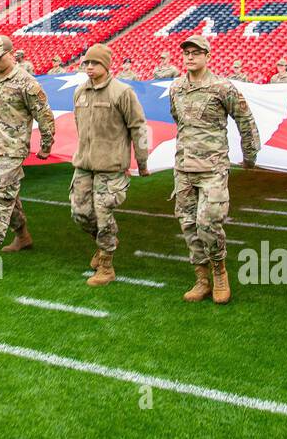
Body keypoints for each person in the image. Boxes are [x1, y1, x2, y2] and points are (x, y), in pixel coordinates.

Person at [170, 34, 260, 303]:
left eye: (196, 52)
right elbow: (178, 120)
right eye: (186, 52)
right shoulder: (176, 87)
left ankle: (219, 271)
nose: (190, 56)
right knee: (188, 224)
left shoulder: (223, 87)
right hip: (184, 168)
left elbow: (245, 119)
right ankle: (201, 278)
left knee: (208, 223)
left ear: (207, 56)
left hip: (212, 168)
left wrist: (250, 156)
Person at [0, 35, 56, 271]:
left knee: (0, 197)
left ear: (11, 54)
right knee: (8, 195)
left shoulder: (26, 83)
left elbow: (44, 114)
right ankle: (23, 236)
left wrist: (46, 144)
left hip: (13, 149)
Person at [70, 44, 149, 286]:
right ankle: (106, 240)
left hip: (111, 167)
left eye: (95, 63)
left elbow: (138, 127)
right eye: (87, 63)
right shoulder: (80, 92)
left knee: (103, 215)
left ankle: (106, 266)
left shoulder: (122, 92)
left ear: (106, 65)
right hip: (84, 165)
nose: (90, 67)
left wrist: (142, 160)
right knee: (80, 213)